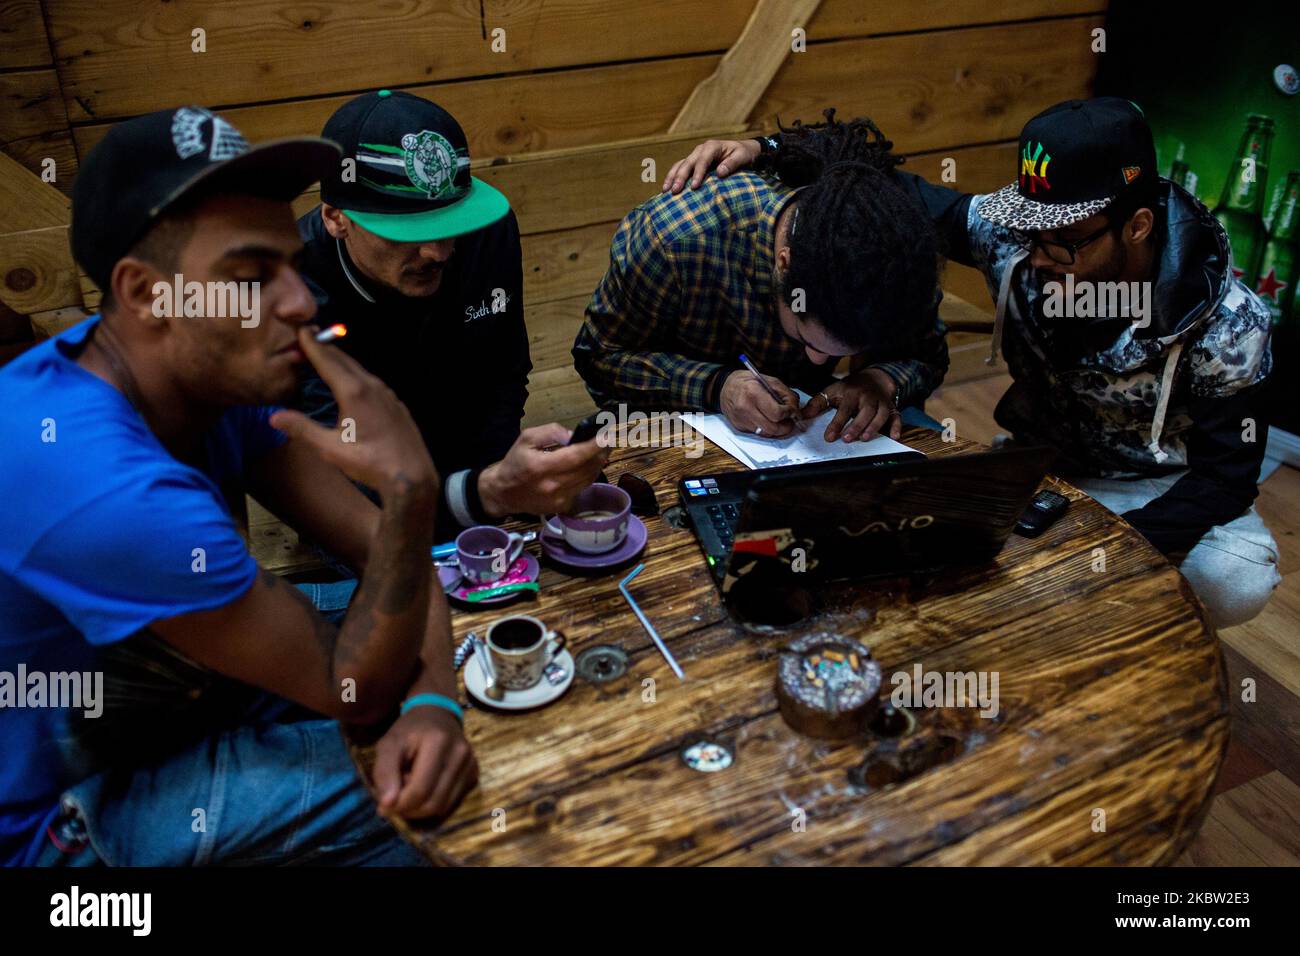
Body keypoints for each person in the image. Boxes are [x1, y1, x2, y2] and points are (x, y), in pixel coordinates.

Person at [0, 106, 475, 866]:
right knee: (461, 783)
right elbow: (355, 689)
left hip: (171, 690)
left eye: (292, 267)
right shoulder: (103, 489)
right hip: (66, 811)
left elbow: (374, 547)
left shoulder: (197, 369)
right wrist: (411, 487)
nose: (300, 303)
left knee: (468, 659)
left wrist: (434, 700)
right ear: (147, 294)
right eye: (252, 278)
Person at [667, 98, 1280, 626]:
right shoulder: (1014, 239)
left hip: (1163, 483)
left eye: (1062, 240)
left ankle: (1139, 625)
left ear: (1138, 225)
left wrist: (1116, 548)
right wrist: (765, 147)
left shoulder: (1230, 322)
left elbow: (1225, 478)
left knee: (1236, 580)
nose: (1036, 255)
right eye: (1029, 230)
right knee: (938, 563)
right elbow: (870, 173)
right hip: (1042, 471)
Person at [296, 90, 606, 537]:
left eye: (449, 223)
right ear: (335, 218)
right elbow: (336, 475)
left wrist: (501, 476)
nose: (438, 252)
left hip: (475, 476)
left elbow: (504, 366)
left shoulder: (486, 232)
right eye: (409, 230)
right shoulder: (293, 285)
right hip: (360, 495)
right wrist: (484, 494)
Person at [573, 110, 950, 445]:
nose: (820, 363)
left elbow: (927, 354)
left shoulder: (899, 253)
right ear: (784, 264)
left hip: (807, 438)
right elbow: (600, 358)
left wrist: (878, 380)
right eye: (809, 339)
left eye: (842, 353)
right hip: (683, 420)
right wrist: (716, 386)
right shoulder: (677, 240)